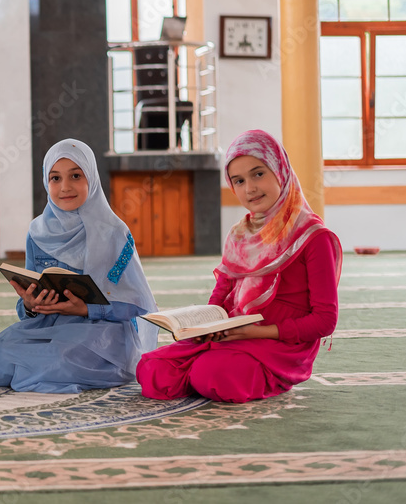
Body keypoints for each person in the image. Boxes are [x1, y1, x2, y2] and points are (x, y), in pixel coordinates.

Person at [137, 129, 342, 404]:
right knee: (152, 370)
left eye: (259, 174)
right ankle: (214, 362)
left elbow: (325, 320)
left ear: (280, 170)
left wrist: (259, 332)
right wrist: (205, 325)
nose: (250, 188)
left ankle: (264, 375)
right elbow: (221, 294)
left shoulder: (313, 237)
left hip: (279, 343)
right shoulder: (239, 234)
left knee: (211, 375)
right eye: (239, 180)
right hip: (233, 332)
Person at [0, 139, 158, 393]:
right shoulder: (37, 232)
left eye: (75, 175)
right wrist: (29, 303)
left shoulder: (113, 232)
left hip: (101, 332)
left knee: (62, 358)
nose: (65, 187)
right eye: (55, 178)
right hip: (50, 324)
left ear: (91, 179)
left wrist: (86, 309)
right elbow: (29, 297)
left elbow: (136, 304)